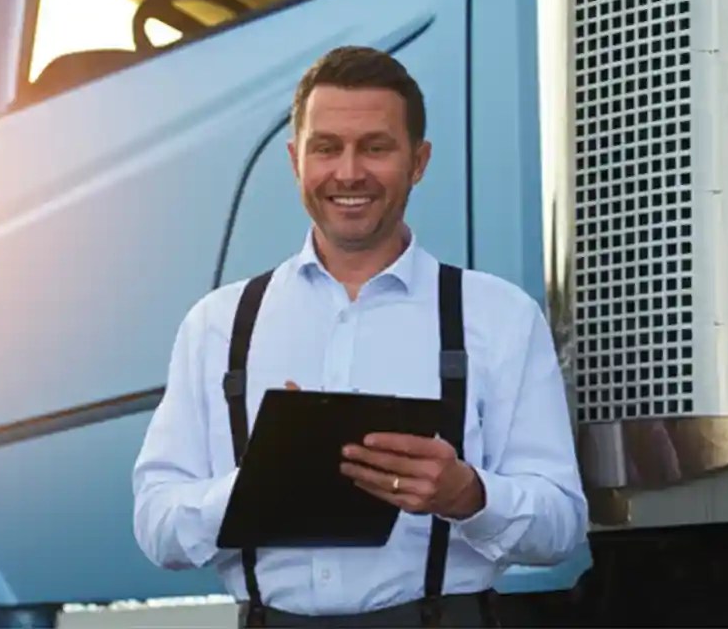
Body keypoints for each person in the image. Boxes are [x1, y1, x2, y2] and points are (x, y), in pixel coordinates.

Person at [131, 46, 588, 627]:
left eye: (376, 147)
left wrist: (468, 494)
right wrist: (253, 488)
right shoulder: (218, 324)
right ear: (297, 160)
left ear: (418, 162)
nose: (348, 173)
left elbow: (563, 524)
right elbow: (155, 524)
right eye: (327, 148)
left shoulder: (499, 317)